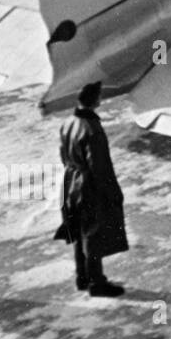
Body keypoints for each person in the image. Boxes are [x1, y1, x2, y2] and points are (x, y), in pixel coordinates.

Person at [54, 81, 128, 296]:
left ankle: (83, 277)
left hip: (70, 181)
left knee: (78, 230)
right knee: (93, 234)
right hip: (88, 186)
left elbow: (63, 154)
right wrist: (113, 192)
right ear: (96, 100)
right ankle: (97, 283)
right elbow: (100, 166)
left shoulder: (69, 122)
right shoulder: (92, 128)